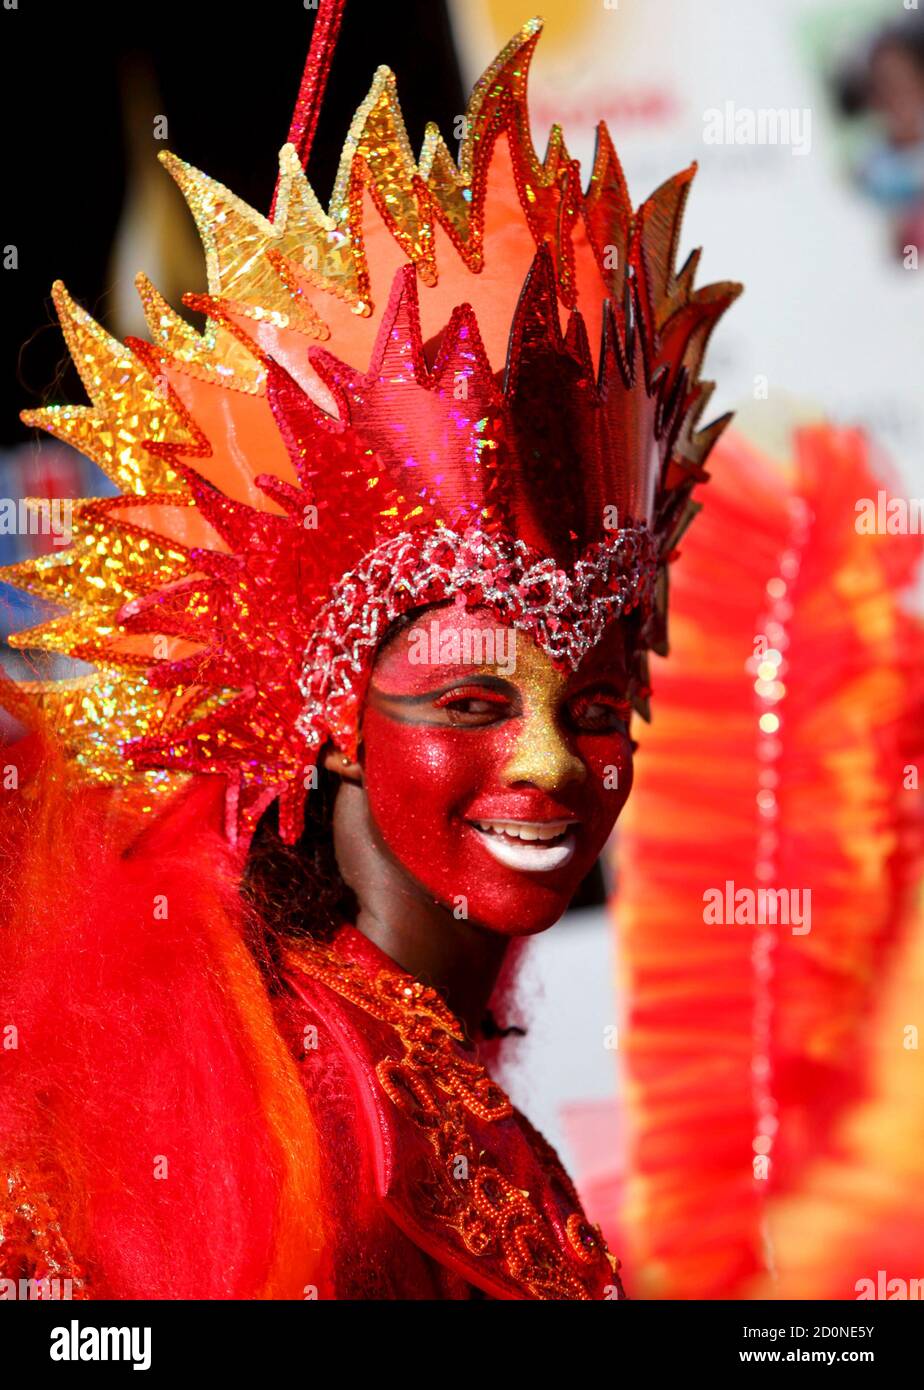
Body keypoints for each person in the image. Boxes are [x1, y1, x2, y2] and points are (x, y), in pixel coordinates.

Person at [0, 15, 738, 1299]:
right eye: (471, 693)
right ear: (326, 708)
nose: (558, 761)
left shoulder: (431, 1090)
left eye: (606, 697)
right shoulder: (233, 1121)